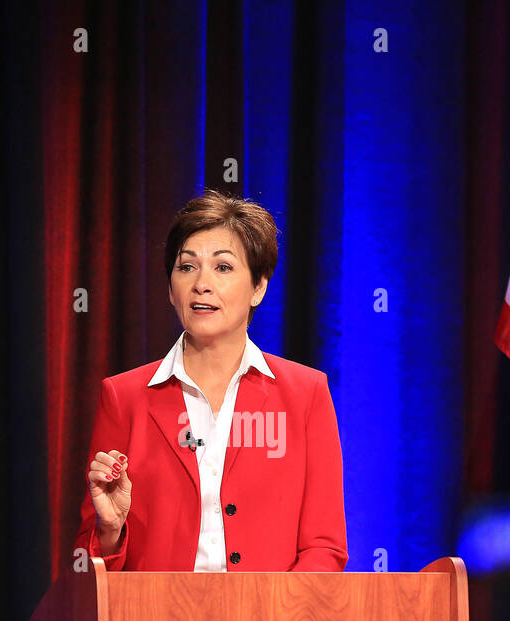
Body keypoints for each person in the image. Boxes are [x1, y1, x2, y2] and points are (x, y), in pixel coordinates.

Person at [74, 188, 347, 571]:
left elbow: (324, 548)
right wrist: (109, 529)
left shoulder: (305, 393)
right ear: (171, 289)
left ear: (258, 287)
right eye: (186, 267)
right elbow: (92, 565)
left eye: (223, 267)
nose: (202, 283)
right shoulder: (123, 396)